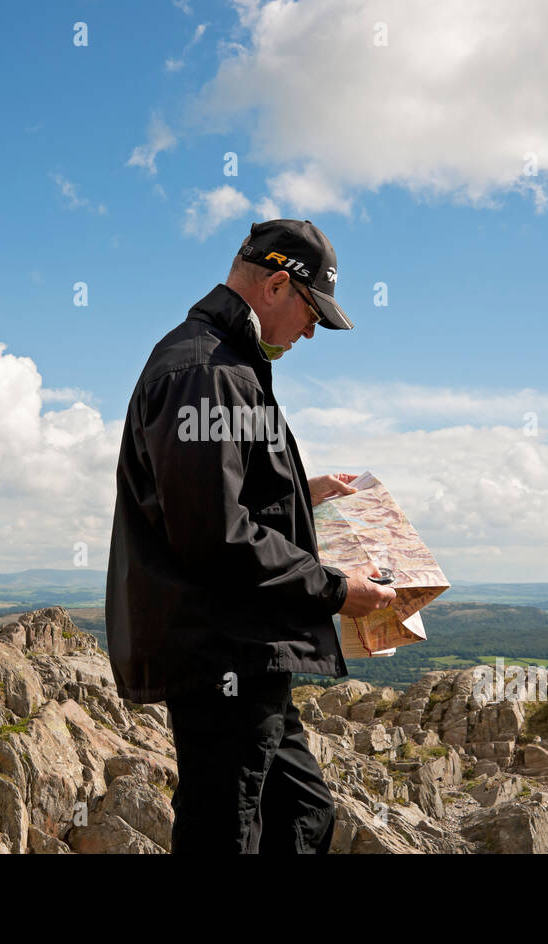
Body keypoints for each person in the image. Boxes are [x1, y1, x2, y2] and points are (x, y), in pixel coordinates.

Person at [105, 218, 397, 853]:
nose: (312, 330)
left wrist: (300, 489)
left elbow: (219, 498)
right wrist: (335, 590)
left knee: (302, 816)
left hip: (242, 650)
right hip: (222, 654)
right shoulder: (205, 371)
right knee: (227, 830)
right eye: (312, 309)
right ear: (274, 284)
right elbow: (216, 534)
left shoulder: (222, 364)